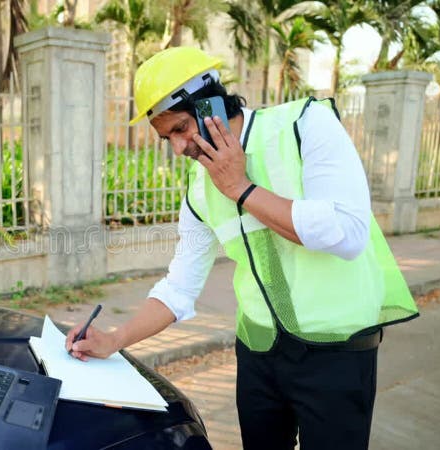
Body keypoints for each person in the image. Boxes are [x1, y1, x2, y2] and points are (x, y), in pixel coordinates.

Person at [65, 46, 418, 450]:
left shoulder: (305, 124)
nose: (177, 149)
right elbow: (179, 286)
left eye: (181, 129)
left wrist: (241, 188)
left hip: (337, 354)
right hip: (258, 356)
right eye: (167, 138)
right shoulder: (199, 190)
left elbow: (348, 233)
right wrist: (114, 339)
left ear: (210, 106)